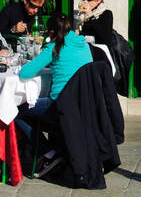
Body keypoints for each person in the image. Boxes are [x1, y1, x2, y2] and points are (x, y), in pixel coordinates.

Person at [16, 12, 95, 177]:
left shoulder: (53, 48)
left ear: (51, 32)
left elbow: (25, 73)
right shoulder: (83, 44)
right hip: (84, 104)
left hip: (61, 104)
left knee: (17, 111)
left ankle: (48, 152)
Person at [73, 0, 133, 93]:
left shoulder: (106, 13)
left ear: (99, 0)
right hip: (86, 53)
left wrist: (90, 16)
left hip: (100, 55)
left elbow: (103, 37)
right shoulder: (81, 16)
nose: (86, 1)